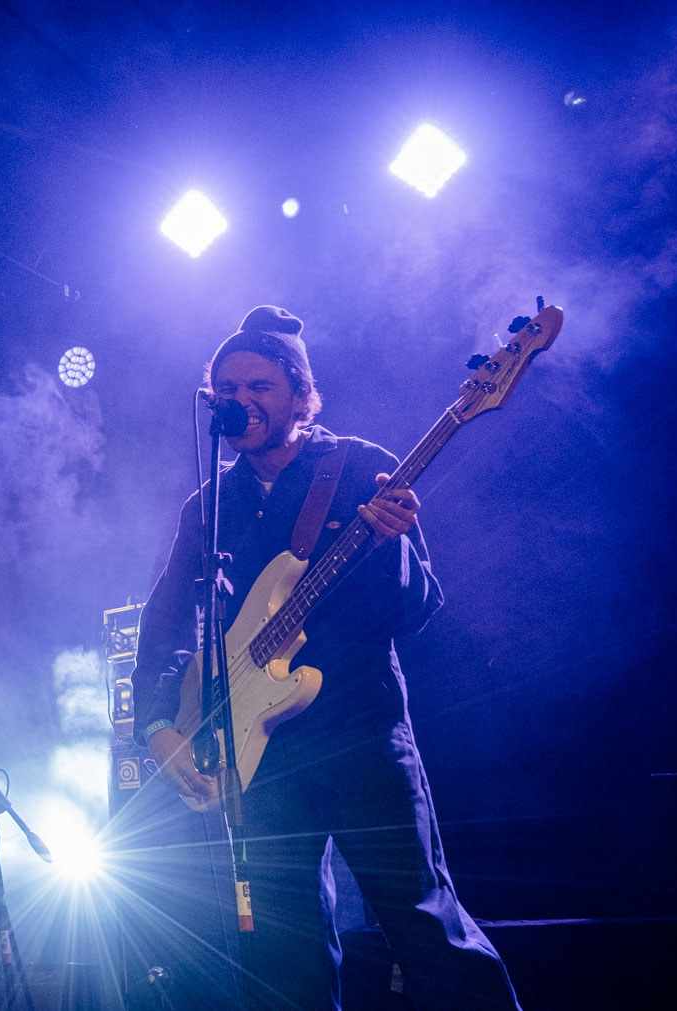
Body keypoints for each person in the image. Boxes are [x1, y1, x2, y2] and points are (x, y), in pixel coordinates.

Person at [132, 306, 520, 1009]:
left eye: (259, 386)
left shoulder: (359, 466)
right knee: (283, 955)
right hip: (259, 753)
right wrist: (158, 724)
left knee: (424, 923)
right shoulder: (208, 504)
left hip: (358, 731)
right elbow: (164, 628)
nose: (241, 400)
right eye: (227, 388)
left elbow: (417, 607)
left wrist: (392, 544)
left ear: (301, 394)